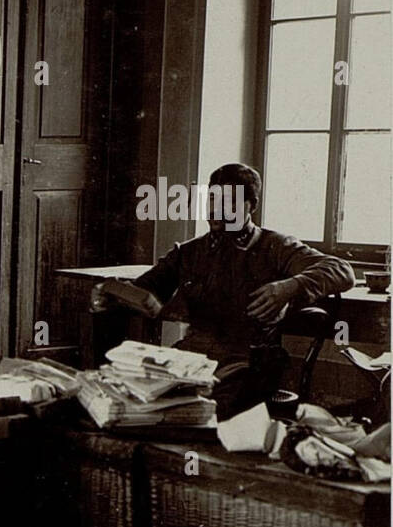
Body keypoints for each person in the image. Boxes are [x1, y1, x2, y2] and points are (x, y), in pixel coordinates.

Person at [92, 162, 355, 416]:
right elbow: (142, 290)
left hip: (250, 362)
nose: (216, 210)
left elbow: (342, 270)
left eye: (228, 202)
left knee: (202, 408)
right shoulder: (188, 252)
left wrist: (291, 286)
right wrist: (110, 295)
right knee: (128, 398)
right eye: (212, 200)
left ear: (251, 205)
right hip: (189, 358)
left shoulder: (275, 246)